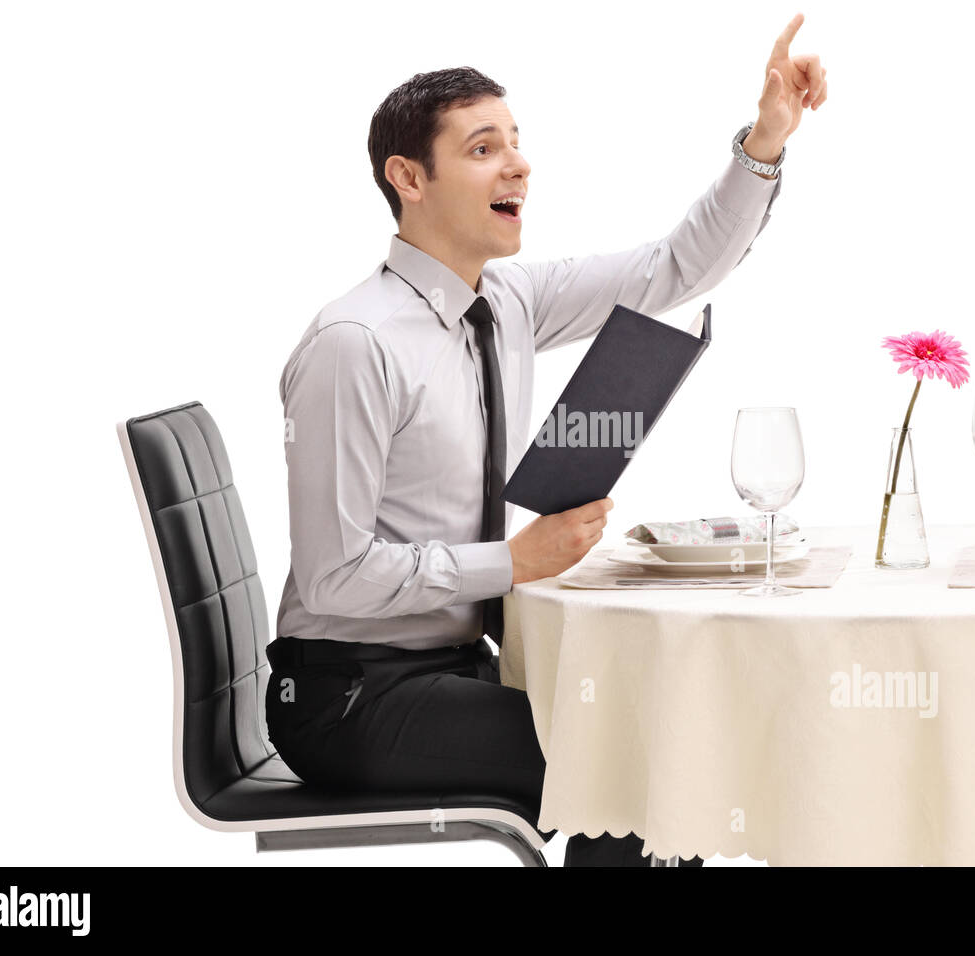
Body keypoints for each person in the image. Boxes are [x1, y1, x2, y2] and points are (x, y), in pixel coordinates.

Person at [264, 14, 827, 866]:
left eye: (517, 143)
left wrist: (767, 139)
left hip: (455, 668)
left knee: (659, 727)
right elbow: (334, 575)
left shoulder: (509, 302)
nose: (519, 163)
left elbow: (677, 267)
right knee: (636, 758)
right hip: (348, 696)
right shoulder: (356, 343)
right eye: (484, 148)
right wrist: (514, 563)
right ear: (407, 176)